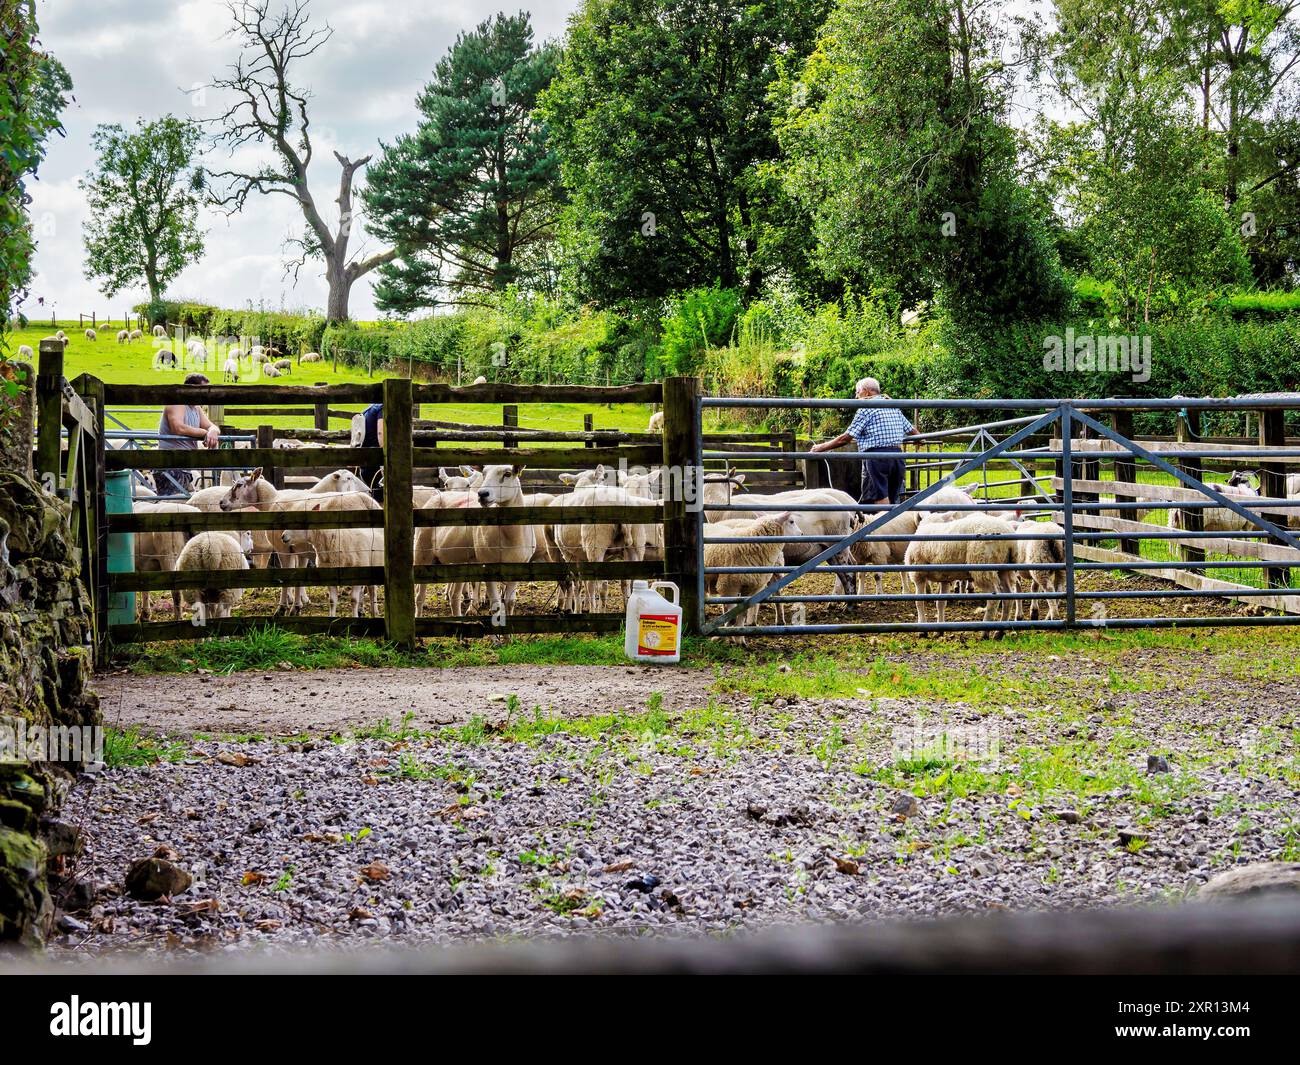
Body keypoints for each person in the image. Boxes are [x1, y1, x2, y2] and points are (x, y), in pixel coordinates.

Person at [810, 377, 918, 505]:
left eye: (857, 392)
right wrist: (919, 439)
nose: (856, 396)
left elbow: (846, 438)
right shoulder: (892, 405)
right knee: (893, 496)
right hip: (897, 456)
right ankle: (894, 522)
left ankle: (884, 524)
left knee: (880, 495)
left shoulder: (866, 407)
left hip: (877, 457)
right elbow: (912, 430)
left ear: (866, 392)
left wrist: (820, 448)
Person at [157, 373, 219, 496]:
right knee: (173, 506)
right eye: (203, 390)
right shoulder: (177, 403)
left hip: (184, 465)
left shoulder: (196, 408)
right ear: (190, 389)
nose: (206, 395)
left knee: (185, 505)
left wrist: (212, 431)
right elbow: (178, 428)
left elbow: (212, 426)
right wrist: (204, 433)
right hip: (171, 466)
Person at [359, 402, 384, 500]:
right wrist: (384, 459)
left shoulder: (365, 411)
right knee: (382, 498)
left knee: (374, 497)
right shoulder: (382, 409)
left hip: (365, 461)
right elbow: (381, 432)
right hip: (376, 462)